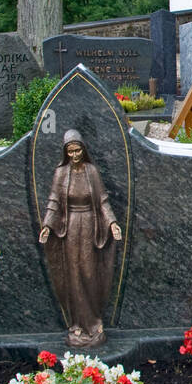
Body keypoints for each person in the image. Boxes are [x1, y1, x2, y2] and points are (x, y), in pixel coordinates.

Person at [39, 130, 122, 347]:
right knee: (73, 276)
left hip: (90, 227)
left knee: (88, 273)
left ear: (83, 150)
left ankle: (94, 323)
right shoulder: (61, 173)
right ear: (66, 153)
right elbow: (54, 202)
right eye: (70, 151)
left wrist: (112, 223)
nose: (75, 155)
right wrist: (47, 225)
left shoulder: (91, 171)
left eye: (77, 150)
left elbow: (103, 201)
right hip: (70, 228)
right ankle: (77, 324)